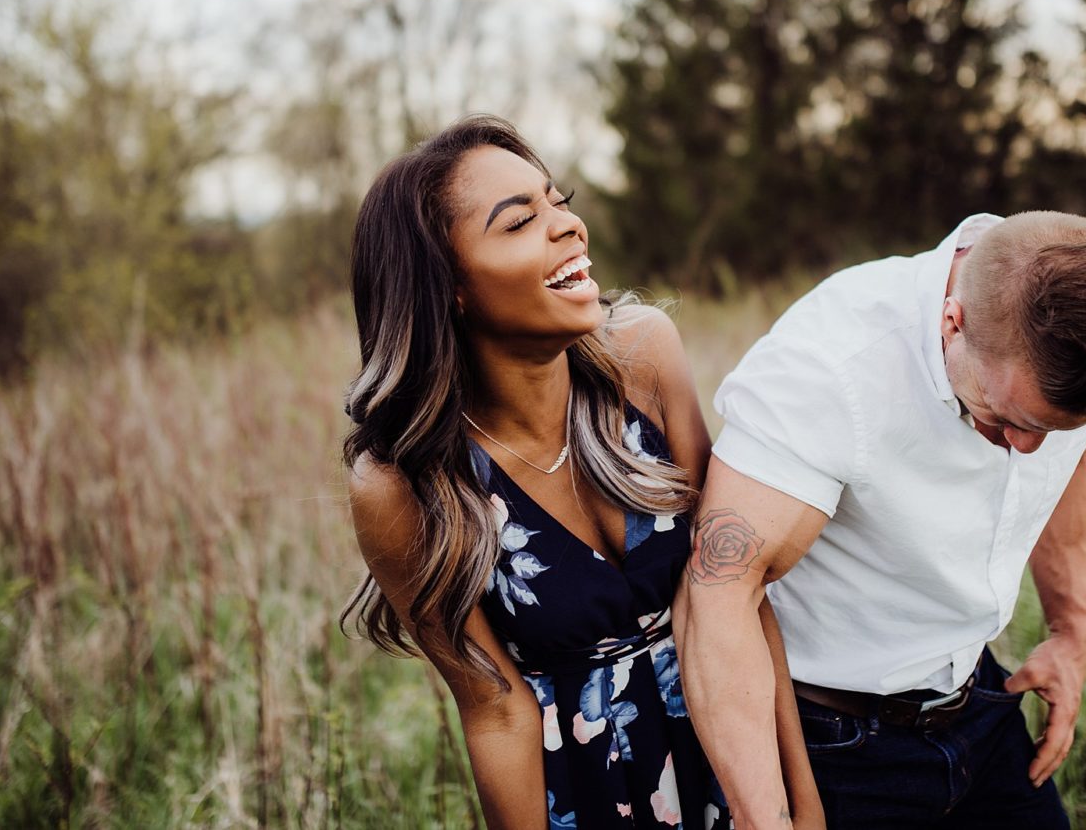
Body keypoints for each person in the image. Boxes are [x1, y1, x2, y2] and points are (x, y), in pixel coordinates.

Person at [341, 115, 822, 830]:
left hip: (733, 748)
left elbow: (738, 597)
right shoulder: (404, 484)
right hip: (592, 796)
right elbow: (494, 708)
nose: (569, 226)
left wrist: (800, 811)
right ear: (450, 287)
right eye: (519, 221)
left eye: (557, 200)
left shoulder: (644, 358)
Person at [678, 211, 1086, 828]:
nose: (1027, 448)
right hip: (835, 744)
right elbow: (716, 593)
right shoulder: (828, 367)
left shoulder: (1062, 319)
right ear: (952, 323)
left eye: (1049, 429)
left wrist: (1071, 634)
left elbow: (1069, 456)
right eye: (1006, 419)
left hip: (980, 702)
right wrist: (764, 815)